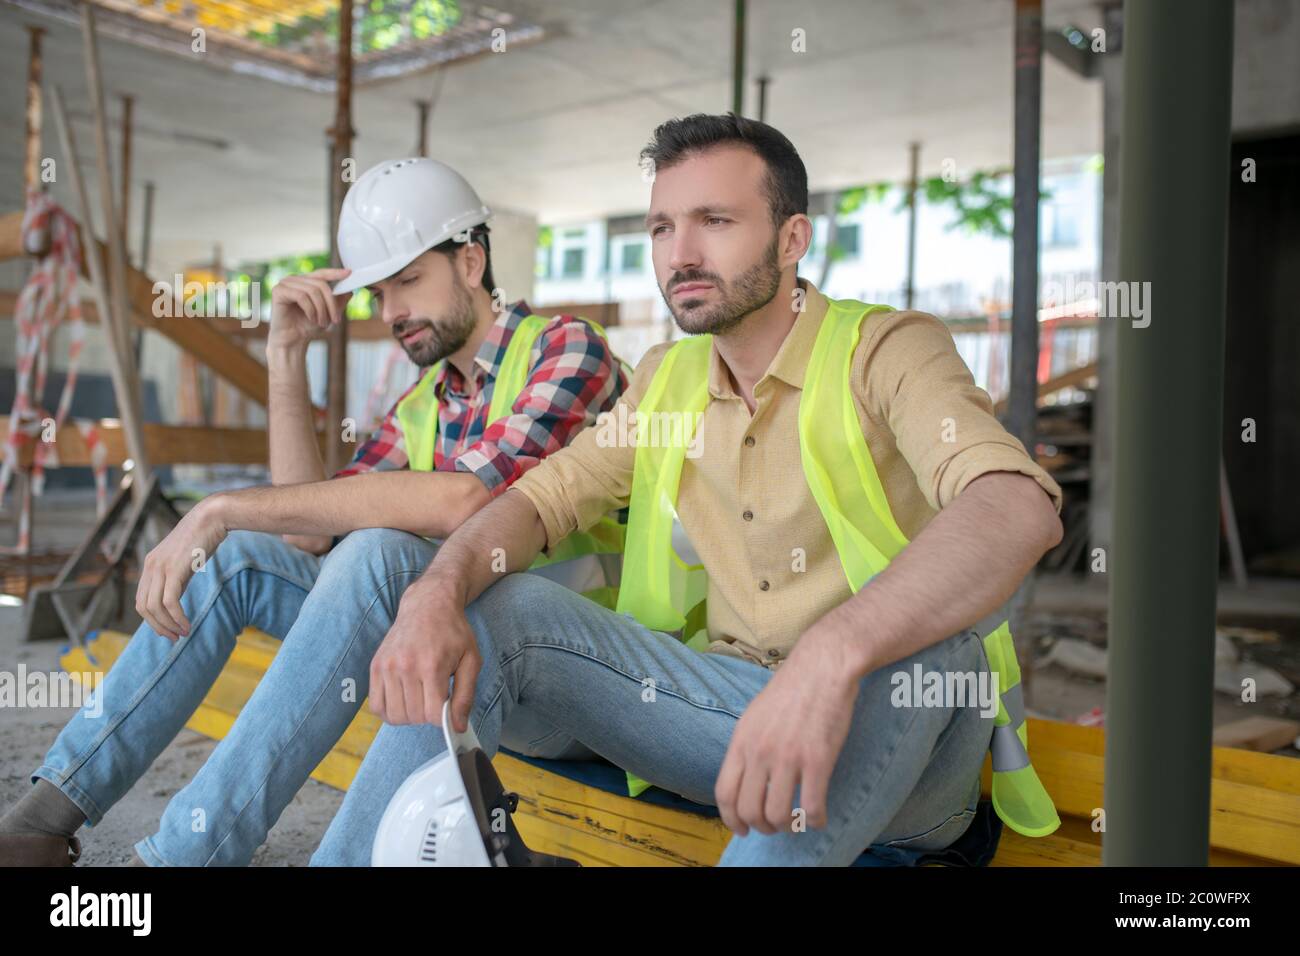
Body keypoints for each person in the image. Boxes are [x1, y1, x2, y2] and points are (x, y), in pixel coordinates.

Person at [311, 115, 1065, 867]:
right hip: (731, 714)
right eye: (663, 228)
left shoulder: (889, 349)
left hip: (902, 751)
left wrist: (830, 656)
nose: (682, 254)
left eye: (715, 221)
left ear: (792, 239)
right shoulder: (667, 379)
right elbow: (542, 498)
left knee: (932, 651)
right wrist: (435, 592)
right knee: (497, 607)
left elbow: (1014, 505)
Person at [0, 158, 626, 867]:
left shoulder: (567, 349)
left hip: (566, 684)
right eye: (379, 292)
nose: (391, 313)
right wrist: (284, 357)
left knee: (371, 552)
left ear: (472, 261)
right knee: (233, 555)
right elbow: (306, 530)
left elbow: (464, 496)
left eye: (409, 281)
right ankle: (43, 820)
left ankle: (172, 863)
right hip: (446, 655)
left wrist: (221, 504)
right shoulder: (422, 404)